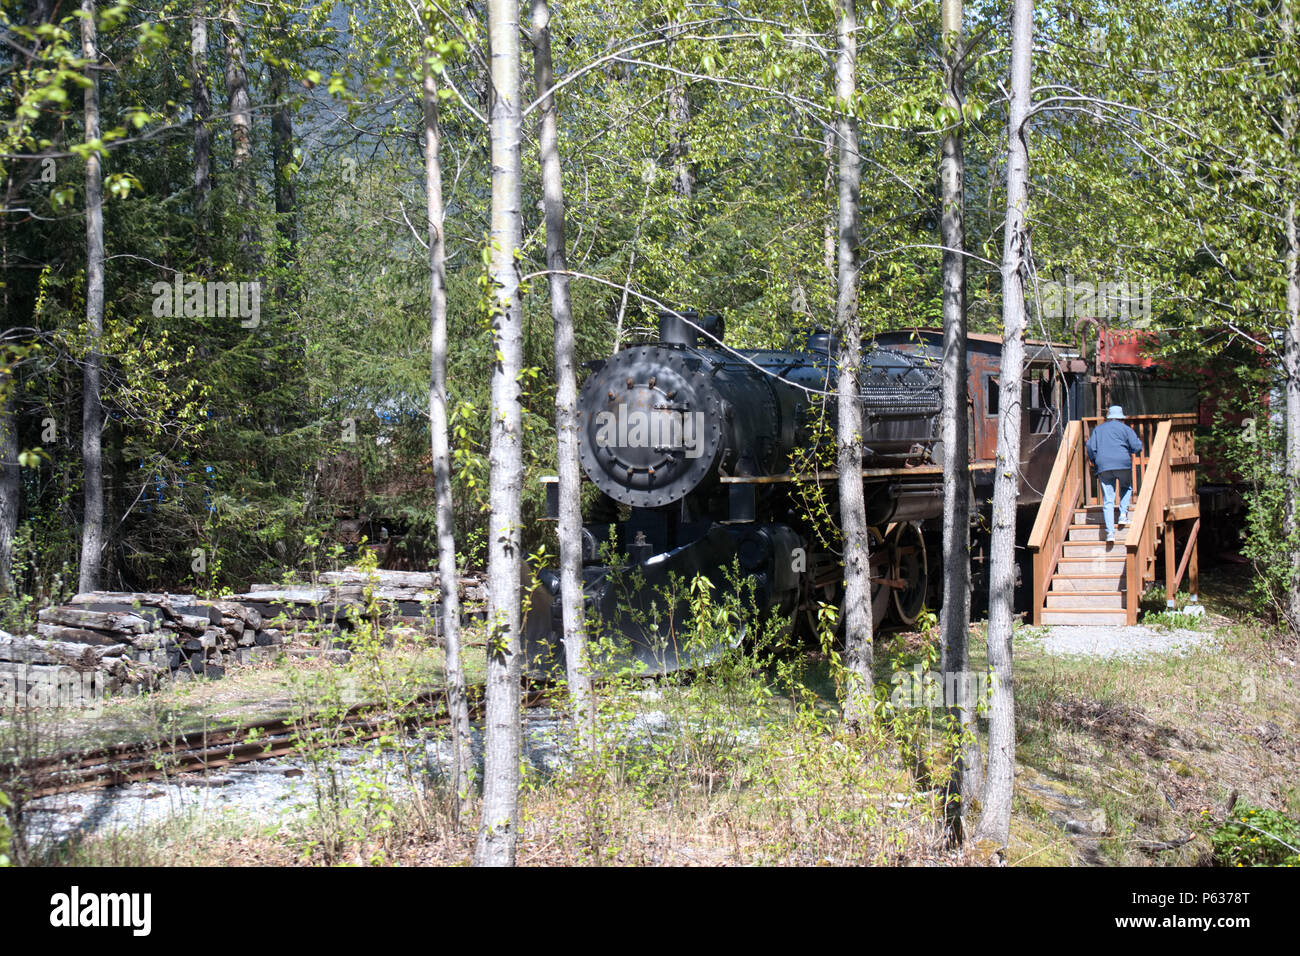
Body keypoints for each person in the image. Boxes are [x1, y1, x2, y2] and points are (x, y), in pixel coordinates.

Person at [1086, 405, 1144, 543]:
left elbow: (1089, 446)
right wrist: (1130, 449)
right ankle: (1123, 514)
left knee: (1108, 500)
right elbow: (1137, 447)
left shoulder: (1098, 429)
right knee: (1126, 487)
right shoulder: (1126, 429)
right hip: (1123, 464)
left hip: (1103, 465)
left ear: (1109, 417)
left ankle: (1110, 533)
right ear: (1121, 418)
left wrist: (1094, 460)